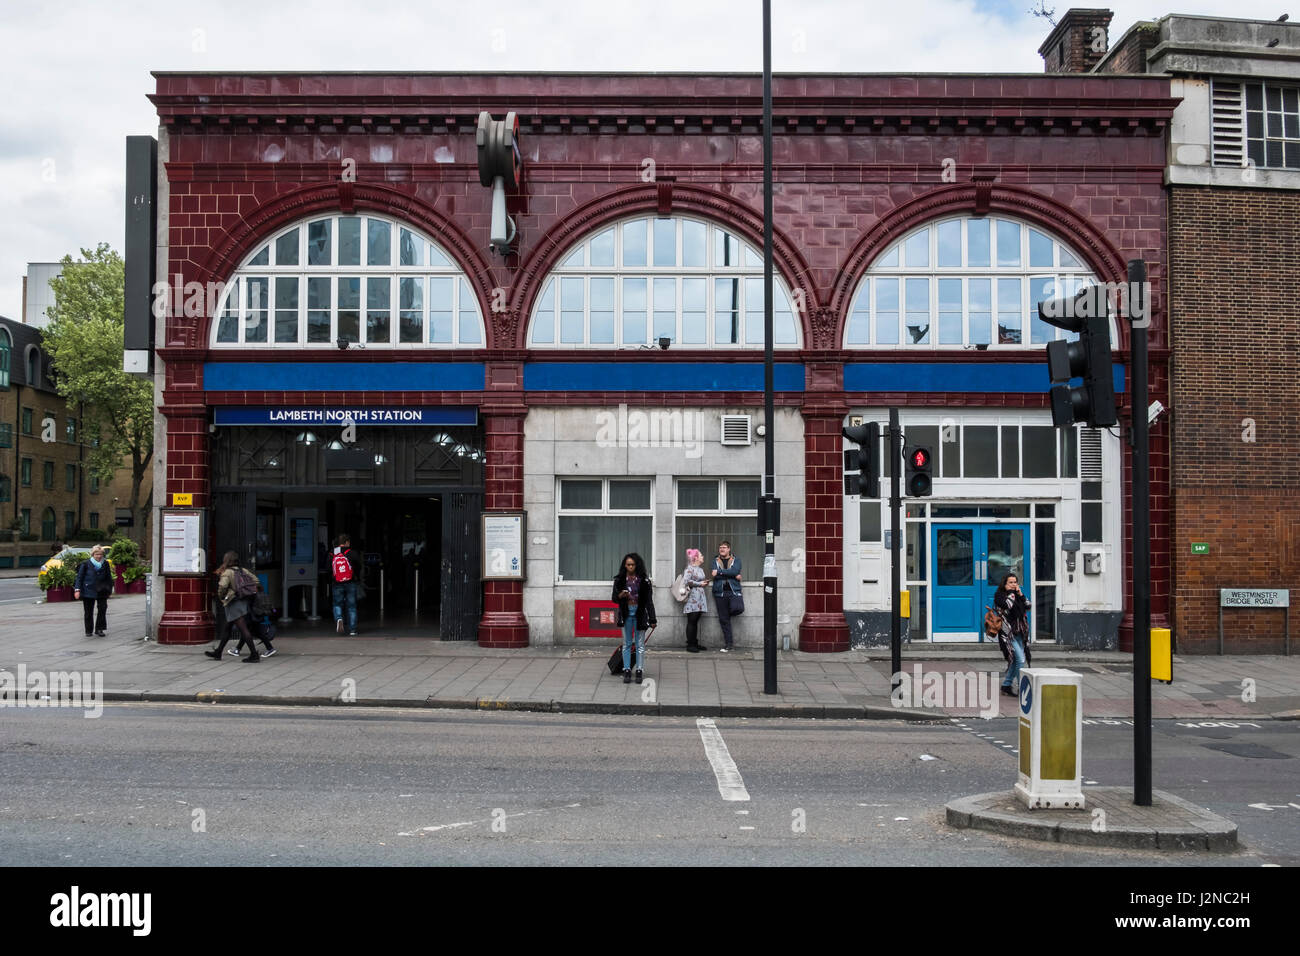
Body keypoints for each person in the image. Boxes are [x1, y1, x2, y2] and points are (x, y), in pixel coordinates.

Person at [204, 551, 260, 662]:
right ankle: (218, 652)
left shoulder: (228, 572)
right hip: (243, 601)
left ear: (226, 560)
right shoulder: (243, 570)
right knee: (227, 627)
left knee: (243, 629)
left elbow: (223, 586)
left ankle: (254, 654)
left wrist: (222, 596)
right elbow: (256, 581)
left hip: (233, 603)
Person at [612, 552, 656, 684]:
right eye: (628, 565)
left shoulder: (644, 580)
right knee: (626, 643)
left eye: (632, 564)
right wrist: (621, 595)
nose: (630, 567)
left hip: (640, 612)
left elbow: (649, 601)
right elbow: (614, 599)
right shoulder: (619, 580)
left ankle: (639, 670)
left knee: (640, 643)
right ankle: (626, 670)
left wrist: (653, 619)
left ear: (637, 565)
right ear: (624, 565)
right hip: (626, 613)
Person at [995, 572, 1031, 697]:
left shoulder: (1017, 595)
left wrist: (1020, 594)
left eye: (1015, 582)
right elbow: (1008, 605)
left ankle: (1006, 685)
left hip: (1020, 633)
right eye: (1010, 582)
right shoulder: (999, 596)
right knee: (1020, 659)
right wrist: (1012, 594)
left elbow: (1028, 605)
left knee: (1017, 660)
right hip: (1008, 634)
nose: (1013, 584)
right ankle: (1022, 687)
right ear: (1004, 584)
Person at [228, 580, 278, 658]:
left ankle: (238, 650)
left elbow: (248, 606)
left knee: (247, 633)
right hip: (259, 616)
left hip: (252, 617)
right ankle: (238, 649)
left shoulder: (253, 595)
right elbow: (271, 607)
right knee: (253, 633)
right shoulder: (264, 594)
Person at [73, 545, 114, 637]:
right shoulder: (86, 564)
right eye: (96, 554)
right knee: (88, 611)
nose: (99, 556)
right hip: (88, 589)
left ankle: (99, 629)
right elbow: (79, 577)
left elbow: (109, 577)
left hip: (102, 590)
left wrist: (109, 589)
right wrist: (77, 590)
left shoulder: (105, 563)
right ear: (93, 554)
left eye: (100, 554)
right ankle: (88, 630)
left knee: (102, 609)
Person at [710, 540, 743, 652]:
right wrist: (733, 574)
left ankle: (727, 614)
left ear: (729, 549)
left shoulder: (736, 560)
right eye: (720, 547)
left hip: (733, 591)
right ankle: (729, 644)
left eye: (724, 547)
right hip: (720, 593)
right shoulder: (715, 560)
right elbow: (732, 573)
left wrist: (719, 573)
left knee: (738, 608)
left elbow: (735, 570)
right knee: (724, 620)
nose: (722, 549)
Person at [682, 548, 709, 652]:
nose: (703, 557)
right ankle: (690, 644)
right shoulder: (690, 568)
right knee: (692, 620)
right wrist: (699, 584)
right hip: (693, 597)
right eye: (701, 555)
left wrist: (704, 583)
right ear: (696, 558)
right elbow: (686, 581)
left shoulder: (700, 569)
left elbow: (698, 581)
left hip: (700, 597)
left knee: (695, 620)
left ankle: (694, 643)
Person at [332, 534, 359, 636]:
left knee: (337, 604)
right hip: (350, 582)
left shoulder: (333, 553)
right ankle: (353, 630)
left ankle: (339, 618)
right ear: (347, 542)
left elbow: (327, 567)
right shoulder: (352, 553)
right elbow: (358, 565)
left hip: (337, 583)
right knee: (351, 606)